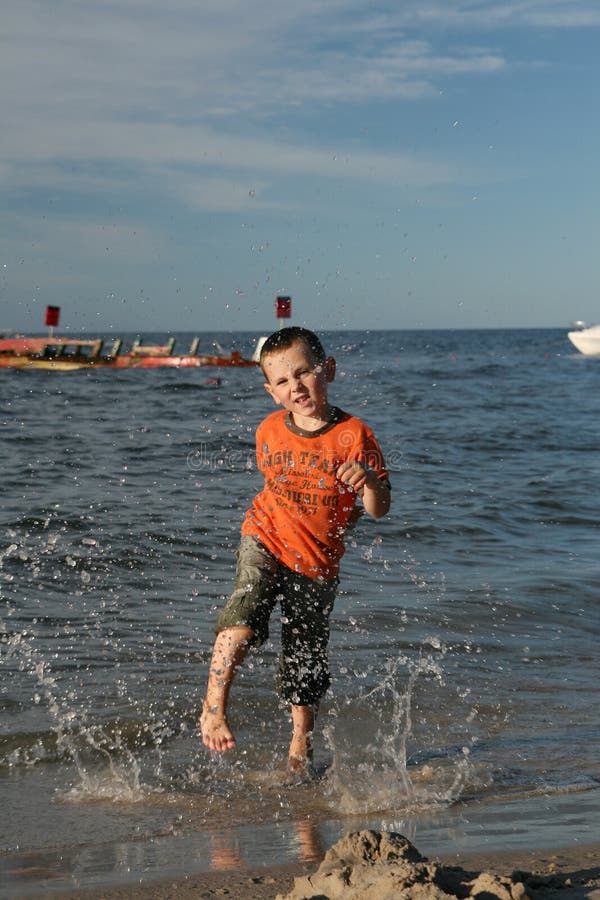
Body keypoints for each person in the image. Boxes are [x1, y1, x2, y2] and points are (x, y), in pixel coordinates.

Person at [199, 326, 391, 773]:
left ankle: (300, 746)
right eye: (283, 381)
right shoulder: (268, 430)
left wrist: (369, 481)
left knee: (305, 660)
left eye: (304, 373)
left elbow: (380, 509)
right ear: (271, 391)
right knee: (243, 615)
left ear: (329, 371)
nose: (296, 387)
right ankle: (213, 706)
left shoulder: (356, 435)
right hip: (265, 537)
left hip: (317, 562)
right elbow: (274, 486)